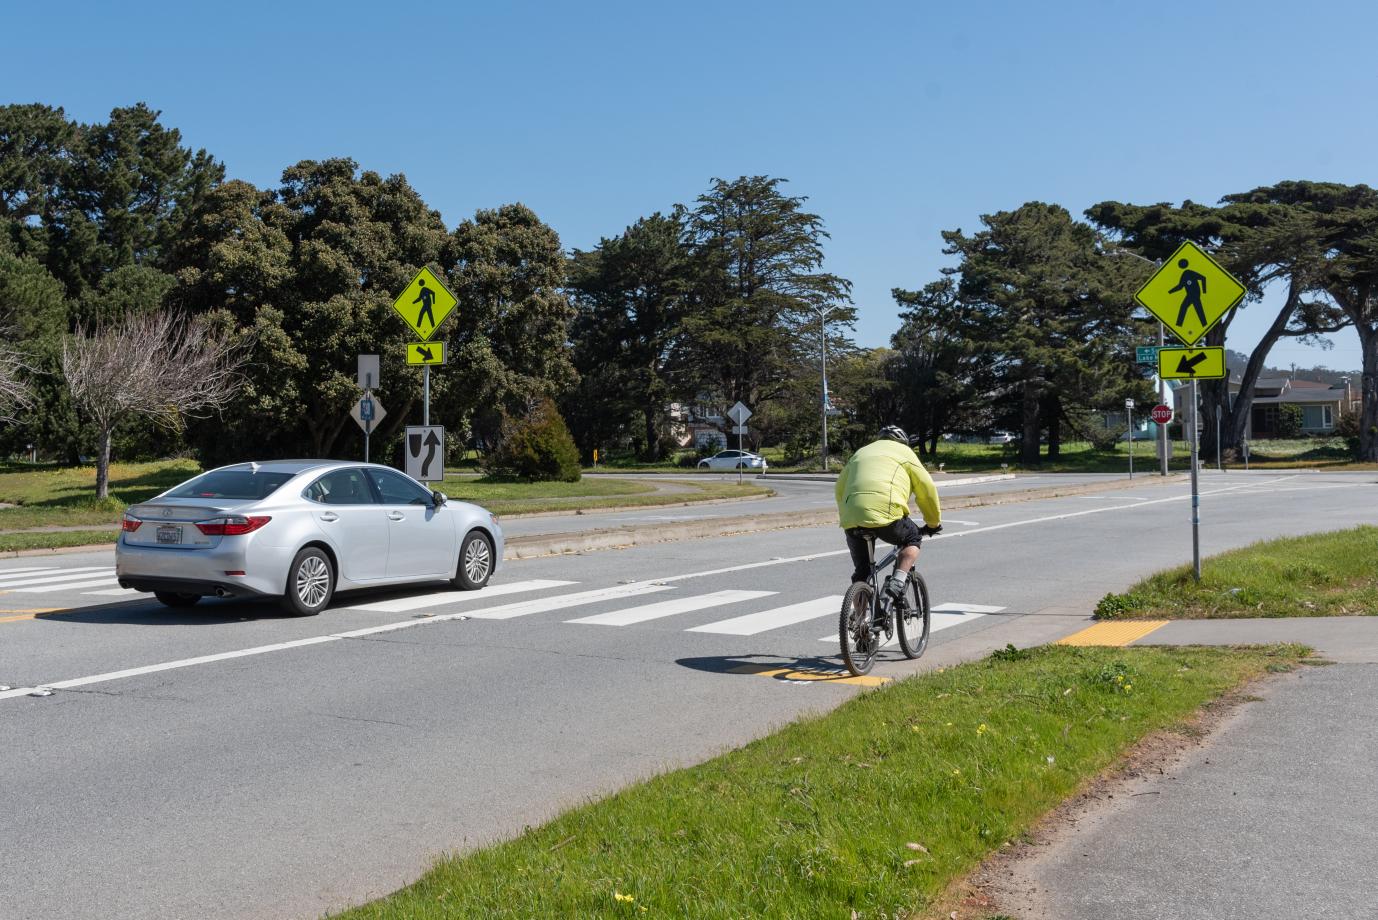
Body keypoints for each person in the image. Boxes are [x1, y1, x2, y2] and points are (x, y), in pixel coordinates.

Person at [834, 425, 942, 605]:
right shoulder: (905, 453)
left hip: (852, 517)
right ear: (903, 442)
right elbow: (927, 490)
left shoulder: (861, 453)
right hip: (887, 513)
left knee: (862, 572)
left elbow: (839, 488)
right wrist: (933, 522)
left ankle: (860, 619)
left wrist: (849, 514)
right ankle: (898, 582)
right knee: (913, 538)